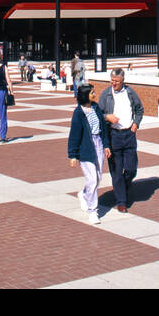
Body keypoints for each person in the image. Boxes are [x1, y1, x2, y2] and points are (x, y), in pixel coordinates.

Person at [97, 68, 144, 213]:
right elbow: (98, 114)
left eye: (116, 81)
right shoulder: (106, 94)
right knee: (116, 171)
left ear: (122, 80)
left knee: (131, 169)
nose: (113, 83)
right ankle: (121, 201)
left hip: (129, 134)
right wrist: (107, 117)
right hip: (114, 135)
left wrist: (136, 123)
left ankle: (121, 187)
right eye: (112, 80)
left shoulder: (130, 92)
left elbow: (139, 109)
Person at [67, 83, 111, 224]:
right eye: (92, 92)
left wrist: (106, 145)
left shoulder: (96, 107)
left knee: (97, 178)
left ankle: (84, 194)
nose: (94, 94)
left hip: (98, 144)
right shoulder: (78, 113)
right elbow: (74, 135)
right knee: (92, 180)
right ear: (85, 94)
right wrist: (73, 155)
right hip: (86, 148)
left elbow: (103, 128)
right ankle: (93, 211)